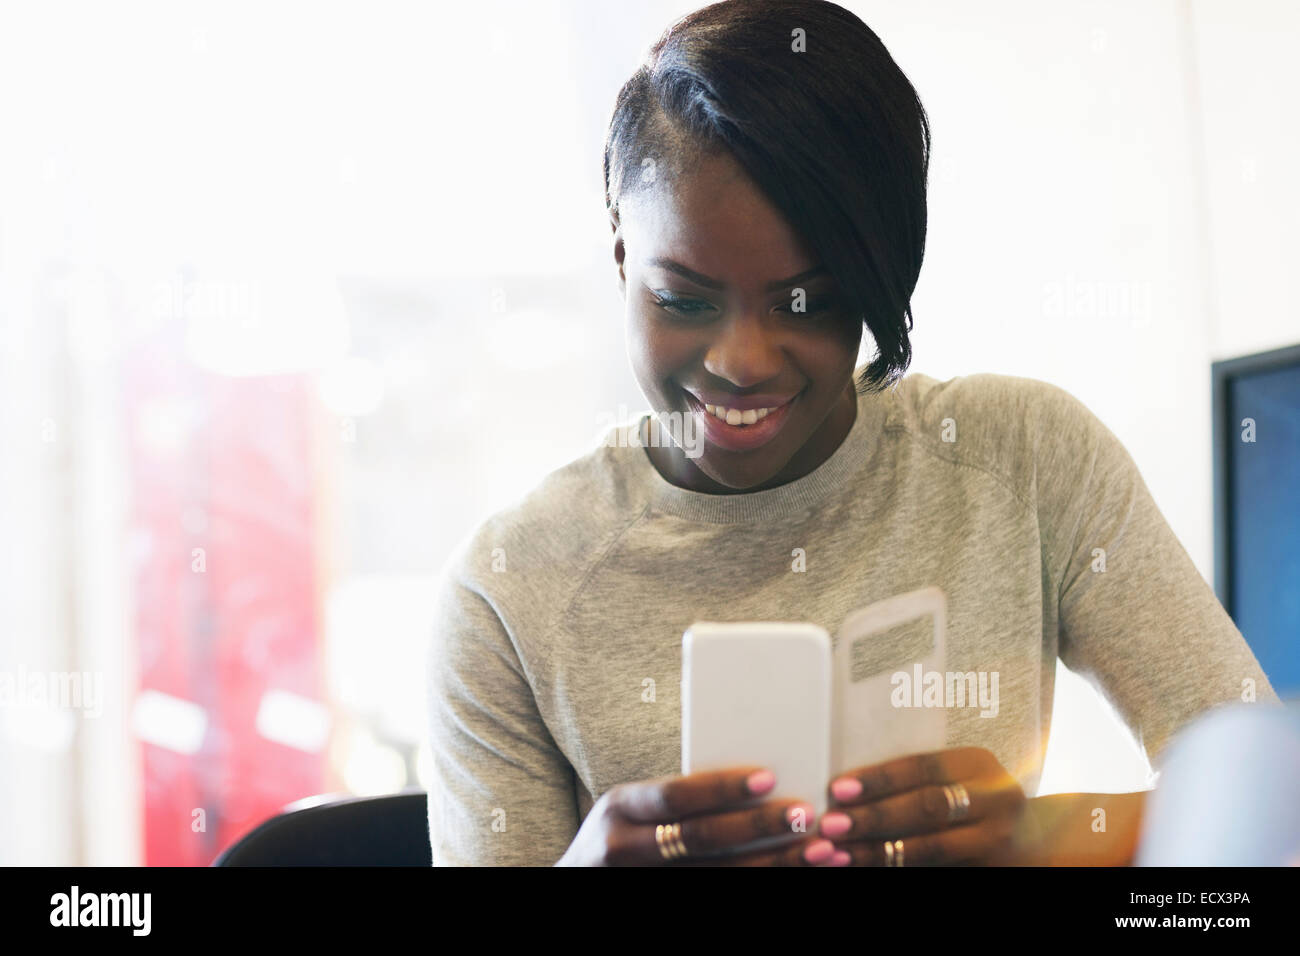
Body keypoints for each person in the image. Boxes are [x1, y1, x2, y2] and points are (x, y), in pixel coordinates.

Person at [425, 0, 1280, 866]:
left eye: (808, 303)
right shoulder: (507, 592)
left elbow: (1272, 801)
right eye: (684, 299)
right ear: (621, 257)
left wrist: (1040, 842)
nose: (742, 363)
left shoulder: (1027, 458)